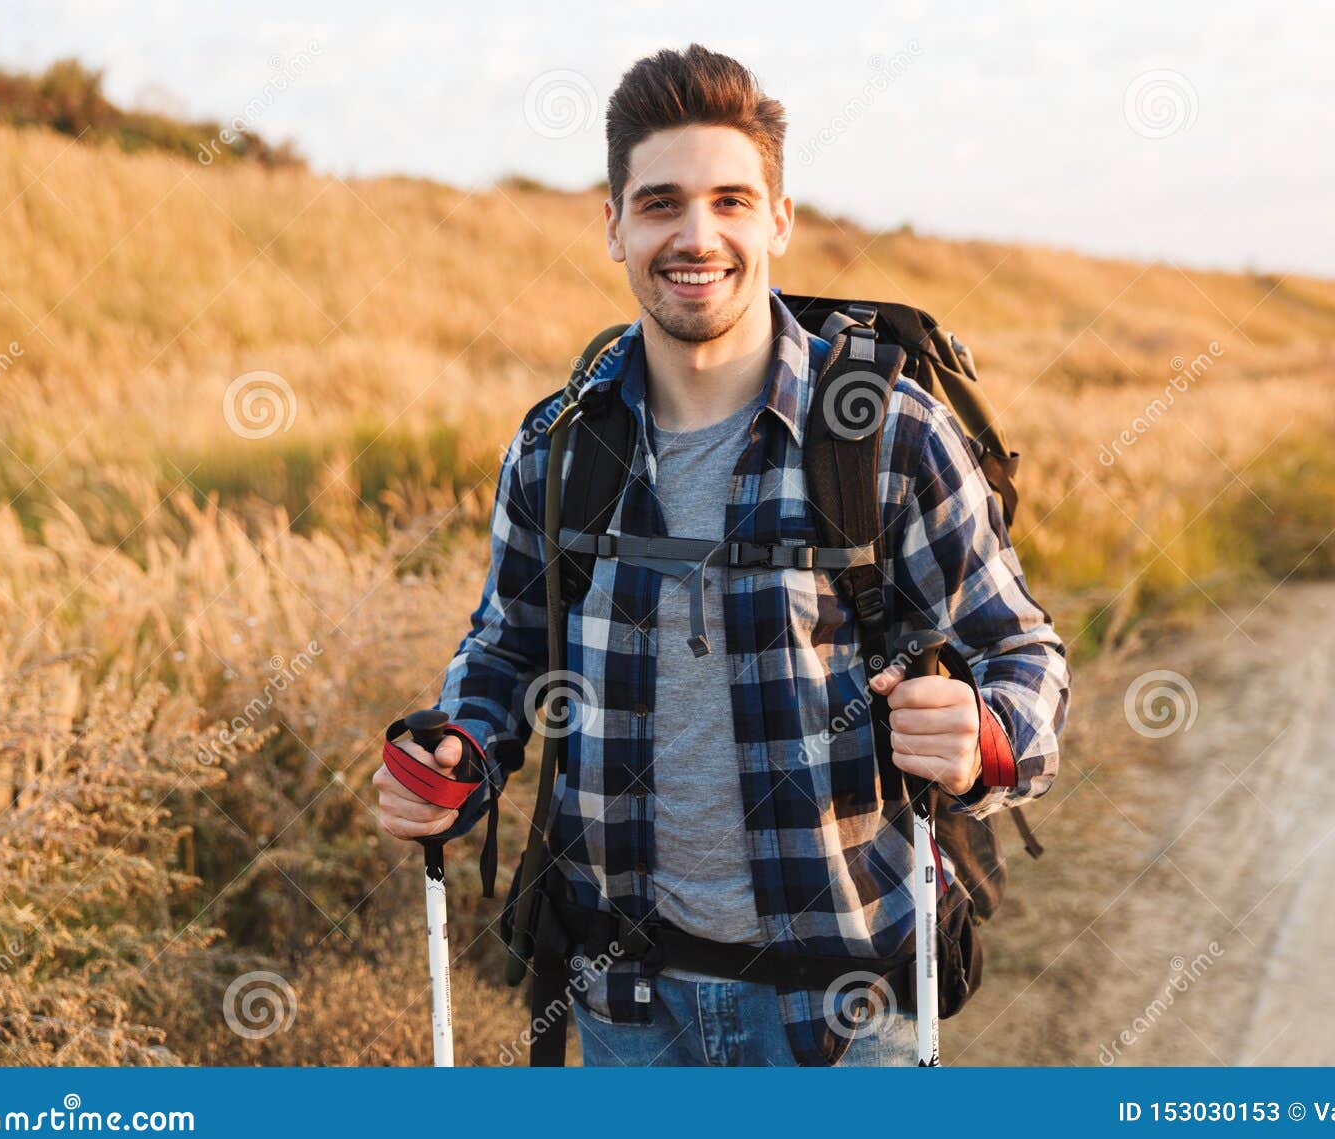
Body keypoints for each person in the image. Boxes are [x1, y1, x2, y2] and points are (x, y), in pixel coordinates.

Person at [373, 43, 1070, 1066]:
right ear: (612, 225)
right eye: (659, 203)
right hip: (624, 1012)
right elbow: (509, 646)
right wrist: (459, 754)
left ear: (778, 218)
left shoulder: (882, 432)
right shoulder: (558, 443)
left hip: (845, 1019)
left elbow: (1025, 656)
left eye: (731, 201)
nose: (696, 236)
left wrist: (984, 736)